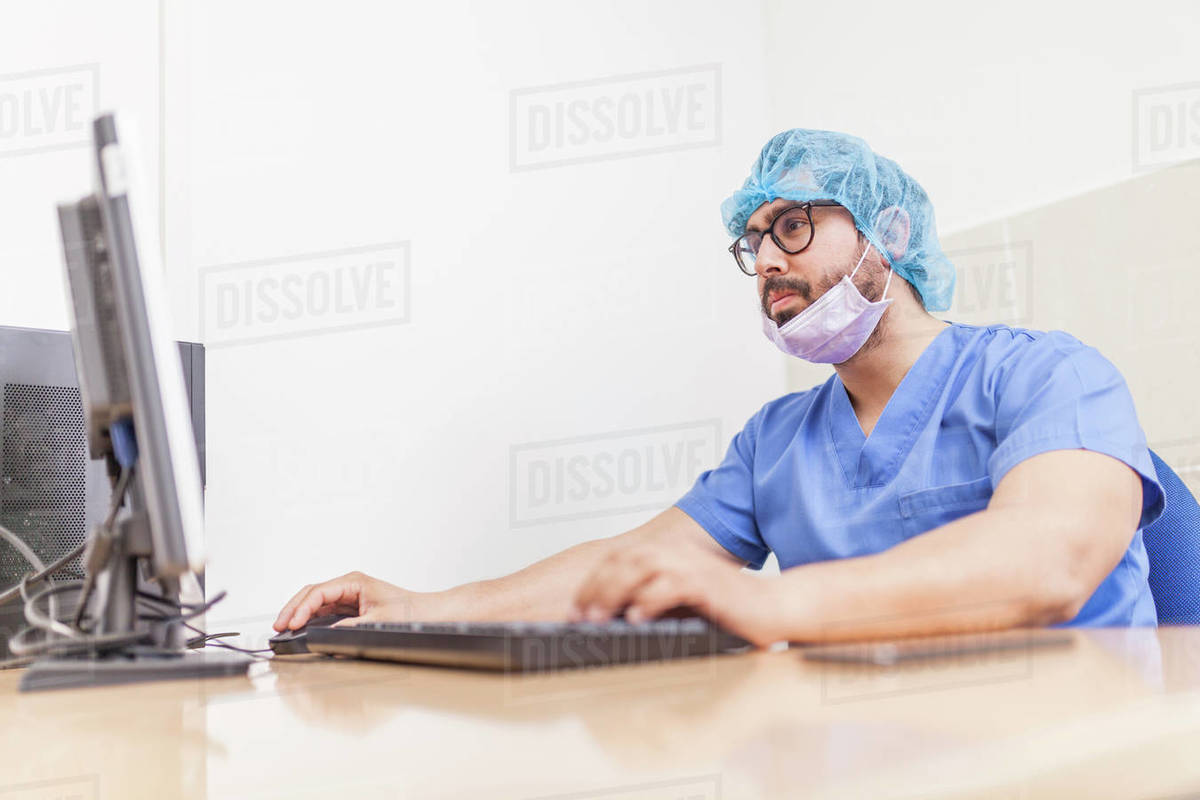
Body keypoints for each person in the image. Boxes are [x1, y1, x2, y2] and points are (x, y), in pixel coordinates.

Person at [274, 128, 1163, 647]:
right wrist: (420, 610)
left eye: (794, 225)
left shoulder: (1052, 376)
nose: (768, 258)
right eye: (753, 241)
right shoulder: (779, 440)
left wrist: (766, 602)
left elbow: (1047, 563)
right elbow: (627, 566)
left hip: (1081, 753)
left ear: (889, 233)